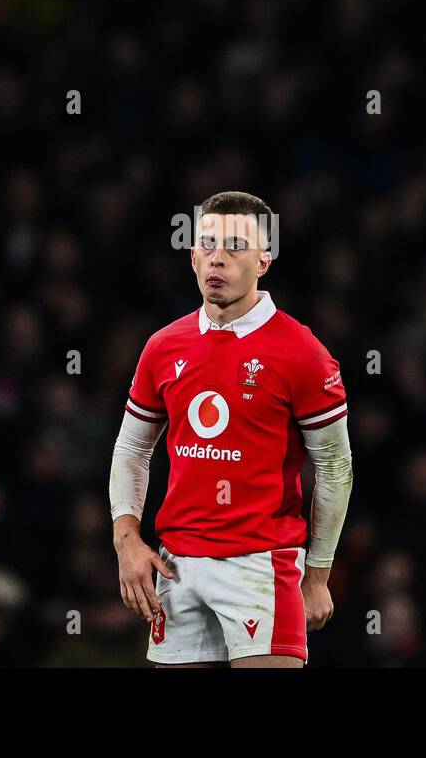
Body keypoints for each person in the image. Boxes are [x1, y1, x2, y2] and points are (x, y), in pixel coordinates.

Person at [109, 191, 353, 667]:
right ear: (193, 255)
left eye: (236, 246)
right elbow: (131, 449)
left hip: (261, 564)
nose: (218, 257)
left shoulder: (301, 351)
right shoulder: (163, 346)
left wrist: (318, 575)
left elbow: (335, 465)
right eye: (208, 244)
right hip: (176, 566)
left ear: (265, 260)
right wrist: (127, 542)